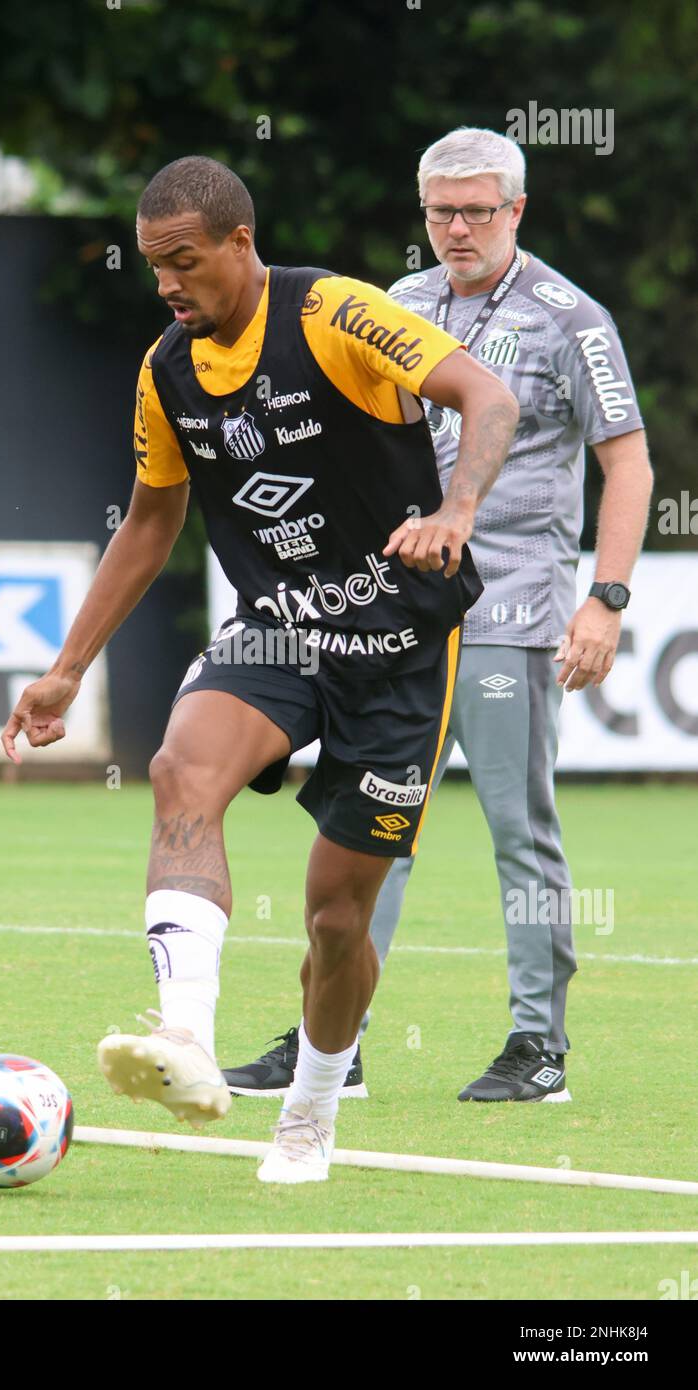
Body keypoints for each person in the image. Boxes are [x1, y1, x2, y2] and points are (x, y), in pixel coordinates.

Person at [2, 154, 518, 1183]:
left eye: (183, 263)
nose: (168, 287)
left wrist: (454, 510)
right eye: (155, 270)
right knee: (179, 771)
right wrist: (67, 668)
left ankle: (309, 1112)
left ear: (239, 243)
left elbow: (483, 393)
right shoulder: (166, 371)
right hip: (277, 631)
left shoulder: (334, 312)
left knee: (335, 916)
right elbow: (152, 519)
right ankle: (185, 1037)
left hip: (399, 647)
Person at [223, 128, 653, 1107]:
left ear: (516, 211)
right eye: (439, 210)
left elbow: (625, 462)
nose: (455, 228)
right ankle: (334, 1039)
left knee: (517, 826)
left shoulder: (568, 318)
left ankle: (536, 1046)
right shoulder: (395, 306)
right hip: (397, 617)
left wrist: (606, 596)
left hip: (509, 611)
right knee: (371, 822)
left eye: (476, 210)